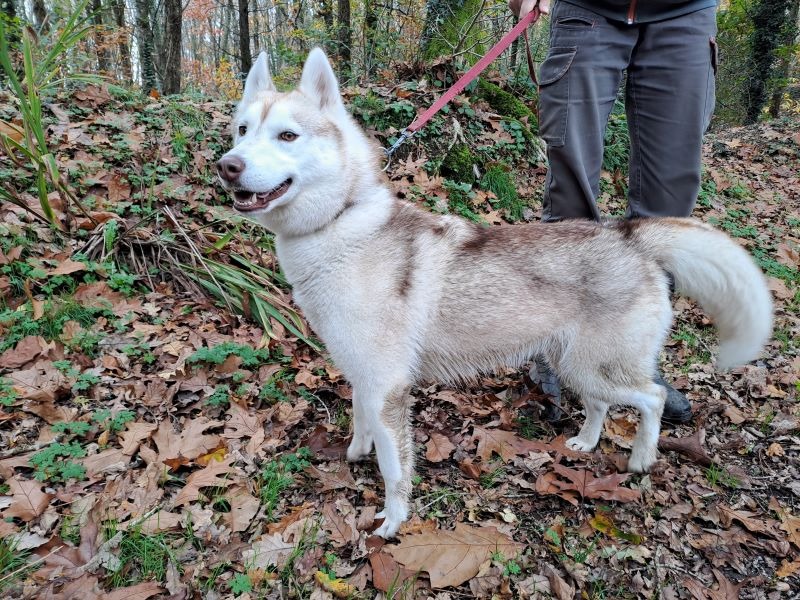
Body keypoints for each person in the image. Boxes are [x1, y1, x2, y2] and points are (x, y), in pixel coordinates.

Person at [509, 0, 720, 422]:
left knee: (667, 206)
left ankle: (632, 358)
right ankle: (552, 347)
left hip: (684, 12)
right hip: (587, 8)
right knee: (571, 193)